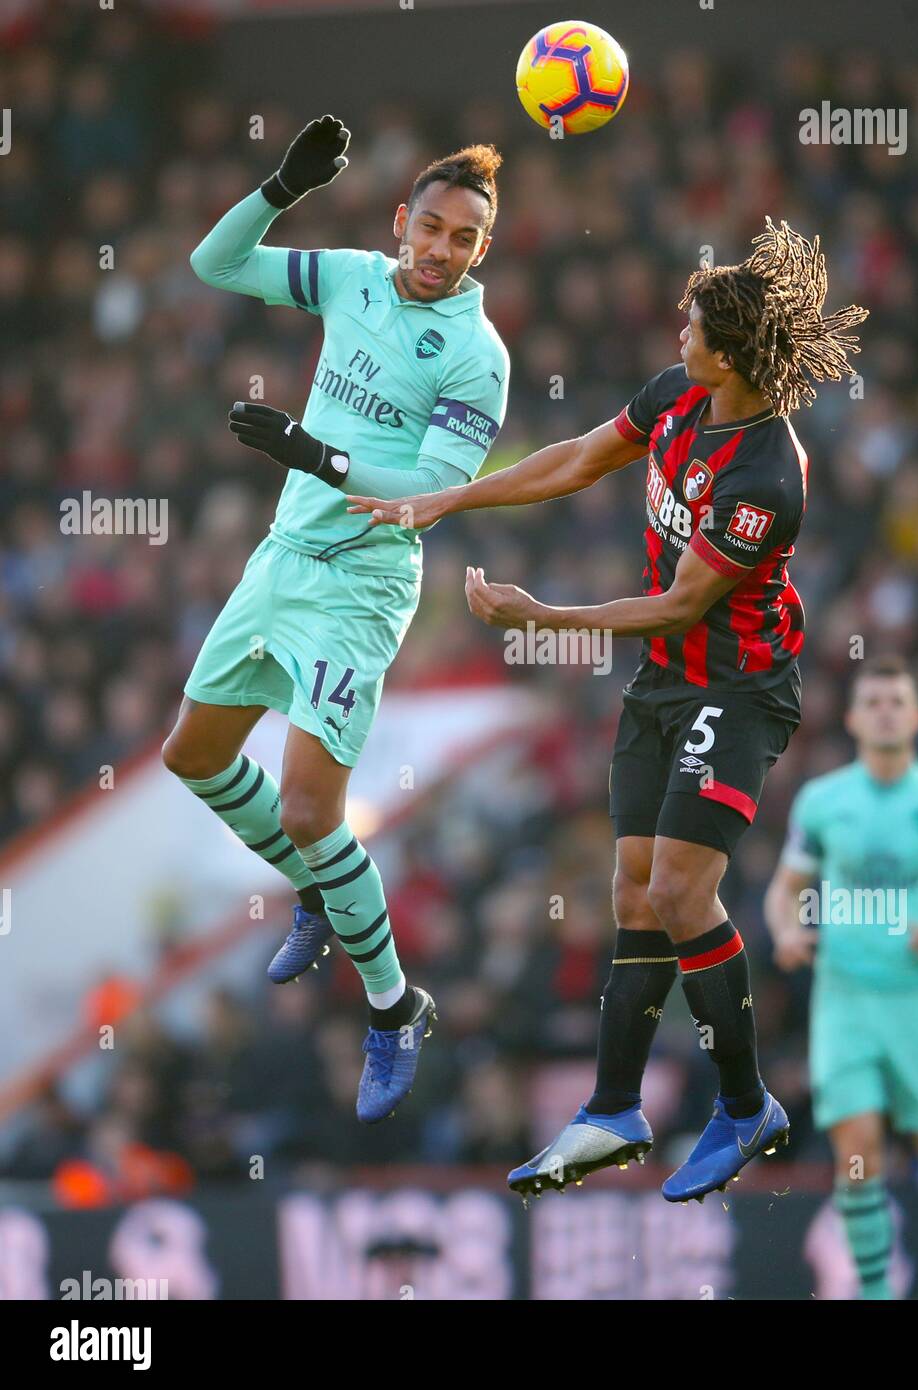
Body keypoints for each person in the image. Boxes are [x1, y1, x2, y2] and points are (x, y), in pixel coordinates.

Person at [348, 219, 867, 1200]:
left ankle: (745, 1102)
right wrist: (449, 501)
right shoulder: (679, 396)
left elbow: (679, 602)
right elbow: (579, 457)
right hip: (664, 685)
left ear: (735, 351)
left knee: (679, 891)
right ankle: (612, 1112)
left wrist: (545, 615)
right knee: (631, 891)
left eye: (694, 322)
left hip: (738, 687)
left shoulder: (763, 475)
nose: (678, 331)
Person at [161, 116, 509, 1123]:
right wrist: (280, 186)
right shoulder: (354, 274)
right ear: (403, 221)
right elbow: (214, 263)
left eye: (463, 240)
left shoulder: (477, 355)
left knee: (314, 810)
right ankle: (320, 889)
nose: (441, 250)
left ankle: (396, 1007)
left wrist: (319, 457)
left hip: (362, 583)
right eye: (431, 227)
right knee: (194, 756)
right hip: (281, 559)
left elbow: (435, 491)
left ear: (481, 252)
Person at [764, 656, 918, 1297]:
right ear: (852, 718)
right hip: (844, 1001)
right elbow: (784, 890)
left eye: (897, 701)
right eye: (872, 702)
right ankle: (875, 1294)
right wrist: (788, 931)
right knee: (858, 1152)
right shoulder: (822, 801)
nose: (885, 711)